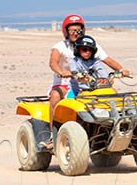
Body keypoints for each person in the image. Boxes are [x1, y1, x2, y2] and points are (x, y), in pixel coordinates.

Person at [44, 15, 130, 147]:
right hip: (64, 83)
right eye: (72, 31)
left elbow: (107, 60)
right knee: (55, 96)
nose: (75, 33)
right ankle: (52, 135)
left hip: (89, 82)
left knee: (113, 93)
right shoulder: (60, 46)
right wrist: (62, 72)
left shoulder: (89, 45)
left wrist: (122, 70)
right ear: (66, 32)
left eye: (78, 31)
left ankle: (114, 127)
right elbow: (53, 62)